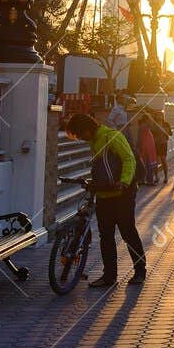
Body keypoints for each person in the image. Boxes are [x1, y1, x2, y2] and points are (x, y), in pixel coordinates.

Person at [66, 111, 147, 287]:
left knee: (128, 233)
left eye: (80, 133)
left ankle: (140, 270)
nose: (80, 138)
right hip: (104, 195)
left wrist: (124, 182)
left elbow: (129, 159)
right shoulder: (93, 142)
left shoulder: (112, 136)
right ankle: (109, 276)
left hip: (123, 193)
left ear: (87, 127)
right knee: (106, 236)